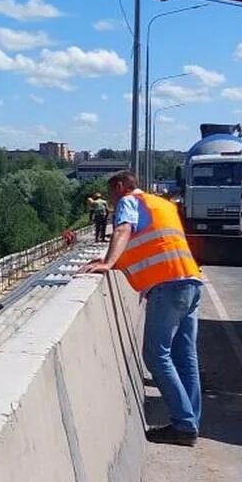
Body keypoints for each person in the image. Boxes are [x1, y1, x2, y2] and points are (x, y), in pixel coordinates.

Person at [79, 170, 203, 446]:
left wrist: (108, 263)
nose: (111, 201)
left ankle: (183, 426)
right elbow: (152, 242)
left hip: (167, 286)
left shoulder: (129, 201)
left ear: (121, 186)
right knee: (185, 358)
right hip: (191, 282)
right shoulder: (162, 204)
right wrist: (114, 257)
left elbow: (123, 229)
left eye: (111, 193)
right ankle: (190, 422)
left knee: (156, 355)